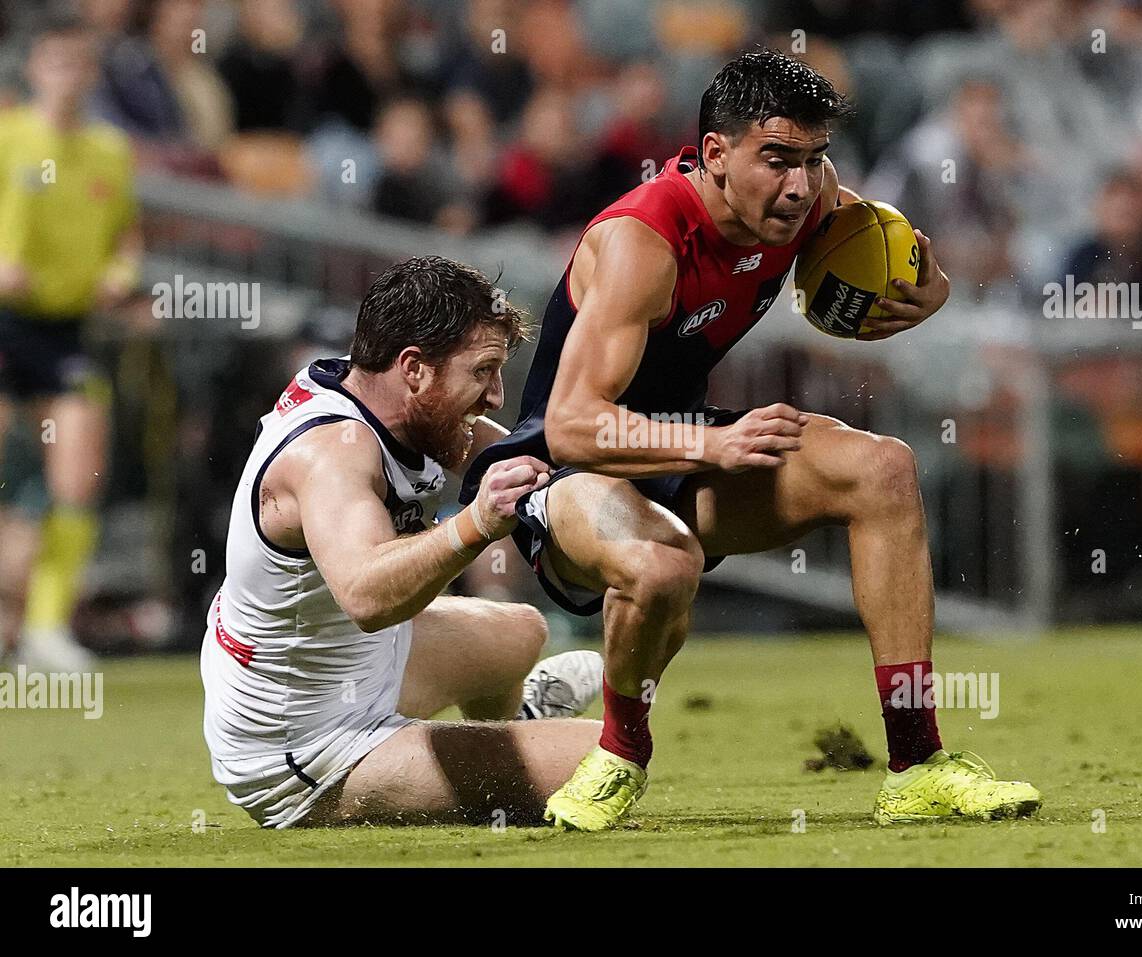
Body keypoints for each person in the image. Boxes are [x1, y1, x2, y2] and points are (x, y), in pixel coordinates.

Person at [461, 50, 1042, 829]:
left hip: (687, 453)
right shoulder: (644, 241)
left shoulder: (812, 201)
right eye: (776, 159)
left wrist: (925, 293)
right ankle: (619, 753)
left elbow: (886, 260)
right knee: (663, 561)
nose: (800, 184)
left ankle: (917, 762)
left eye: (813, 159)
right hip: (565, 474)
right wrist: (713, 448)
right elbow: (571, 423)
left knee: (883, 469)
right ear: (713, 155)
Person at [200, 257, 603, 829]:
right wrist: (476, 524)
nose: (494, 396)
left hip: (344, 667)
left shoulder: (382, 394)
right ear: (414, 369)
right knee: (601, 755)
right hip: (308, 746)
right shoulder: (332, 453)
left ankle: (508, 736)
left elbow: (525, 458)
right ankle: (490, 771)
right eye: (483, 372)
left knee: (521, 633)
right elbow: (367, 596)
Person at [0, 15, 140, 671]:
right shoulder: (7, 136)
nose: (67, 76)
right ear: (33, 68)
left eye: (79, 64)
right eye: (55, 62)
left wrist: (121, 274)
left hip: (66, 328)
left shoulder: (110, 150)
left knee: (77, 473)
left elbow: (126, 236)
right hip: (3, 320)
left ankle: (46, 628)